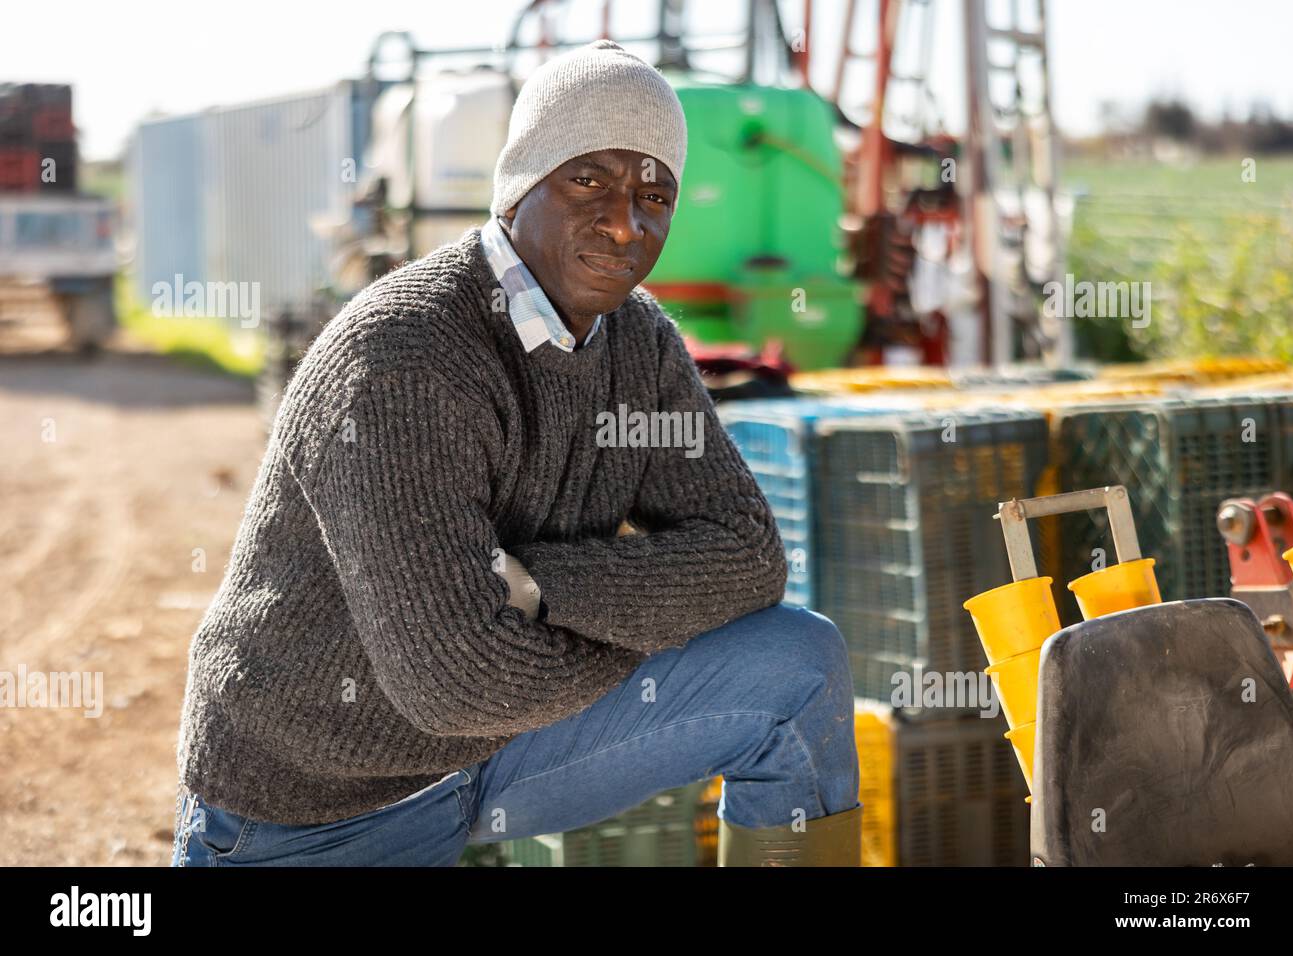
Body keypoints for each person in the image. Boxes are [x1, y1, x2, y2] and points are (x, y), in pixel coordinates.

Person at [171, 38, 861, 868]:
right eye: (588, 180)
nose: (623, 221)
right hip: (315, 808)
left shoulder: (637, 340)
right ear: (519, 183)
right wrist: (642, 621)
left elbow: (750, 560)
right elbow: (456, 681)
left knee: (797, 661)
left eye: (654, 192)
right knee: (476, 677)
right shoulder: (407, 350)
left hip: (493, 756)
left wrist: (536, 585)